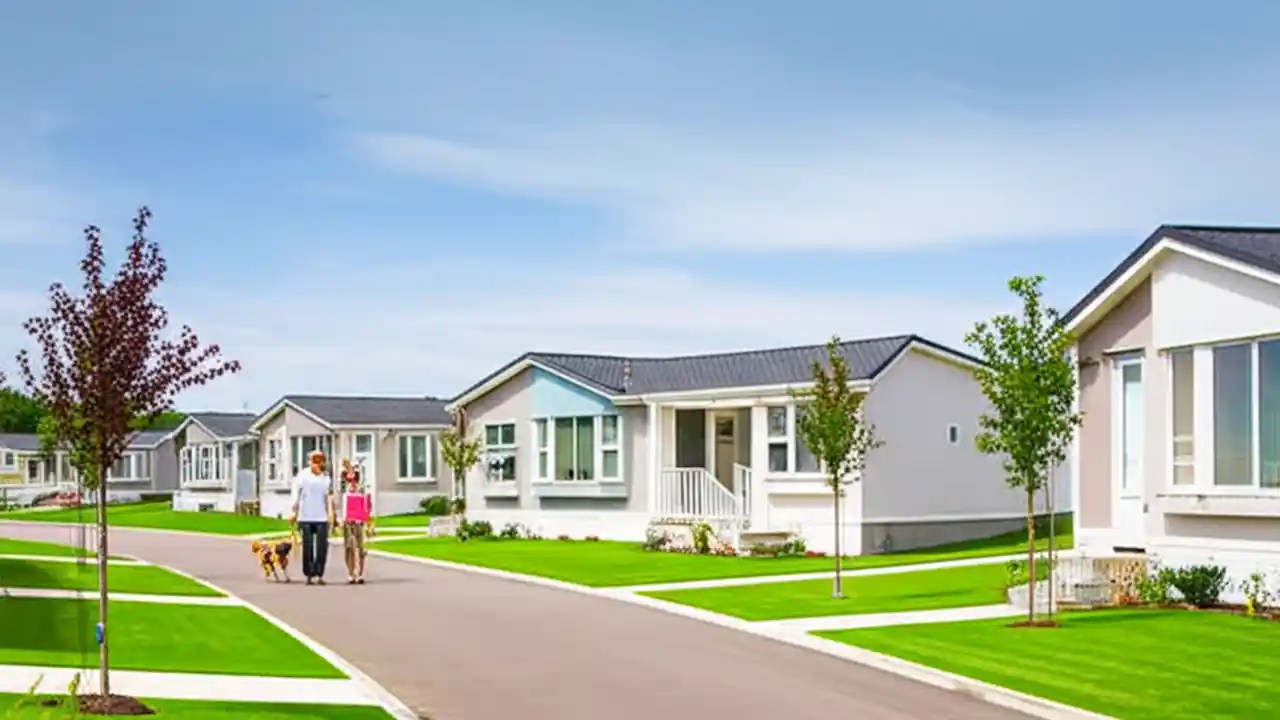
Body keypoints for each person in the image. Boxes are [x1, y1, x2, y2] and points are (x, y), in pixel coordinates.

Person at [290, 449, 335, 586]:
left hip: (321, 516)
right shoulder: (303, 476)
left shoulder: (326, 478)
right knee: (307, 547)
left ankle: (319, 573)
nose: (317, 464)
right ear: (310, 462)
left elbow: (329, 498)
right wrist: (293, 511)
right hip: (306, 516)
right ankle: (309, 574)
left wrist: (333, 515)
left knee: (322, 547)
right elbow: (296, 494)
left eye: (319, 461)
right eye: (314, 461)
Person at [339, 458, 374, 584]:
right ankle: (350, 572)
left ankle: (360, 572)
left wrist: (370, 522)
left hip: (359, 521)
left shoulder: (362, 489)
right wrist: (339, 519)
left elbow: (367, 506)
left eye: (354, 476)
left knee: (360, 547)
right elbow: (340, 505)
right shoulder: (343, 491)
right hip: (348, 522)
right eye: (349, 477)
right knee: (349, 547)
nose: (351, 480)